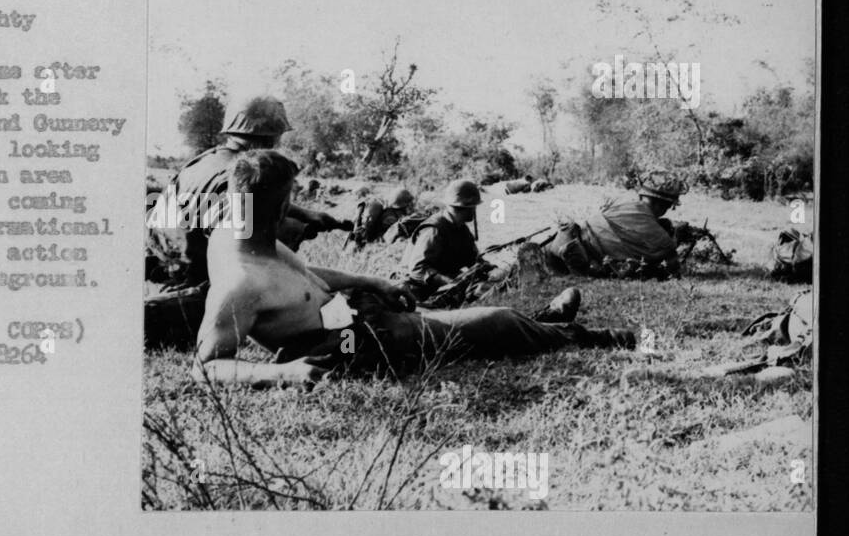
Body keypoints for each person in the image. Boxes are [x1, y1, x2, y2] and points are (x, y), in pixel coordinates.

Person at [193, 151, 635, 388]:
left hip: (363, 316)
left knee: (485, 323)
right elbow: (207, 367)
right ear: (280, 206)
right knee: (496, 320)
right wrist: (281, 374)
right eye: (293, 199)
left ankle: (541, 324)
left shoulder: (250, 235)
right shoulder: (240, 282)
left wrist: (371, 279)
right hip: (358, 343)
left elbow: (304, 277)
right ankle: (584, 337)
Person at [158, 95, 347, 286]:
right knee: (286, 231)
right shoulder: (242, 172)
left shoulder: (203, 161)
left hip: (166, 258)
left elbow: (239, 200)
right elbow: (243, 237)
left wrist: (307, 213)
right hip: (197, 275)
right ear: (270, 138)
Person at [544, 171, 684, 276]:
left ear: (641, 194)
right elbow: (672, 268)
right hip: (580, 257)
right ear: (664, 206)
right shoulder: (662, 240)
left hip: (564, 239)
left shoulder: (622, 201)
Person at [399, 179, 484, 300]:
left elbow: (473, 259)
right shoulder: (434, 230)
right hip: (416, 290)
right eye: (473, 206)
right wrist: (451, 283)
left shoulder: (461, 228)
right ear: (464, 208)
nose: (475, 210)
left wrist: (489, 270)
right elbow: (418, 270)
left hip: (440, 285)